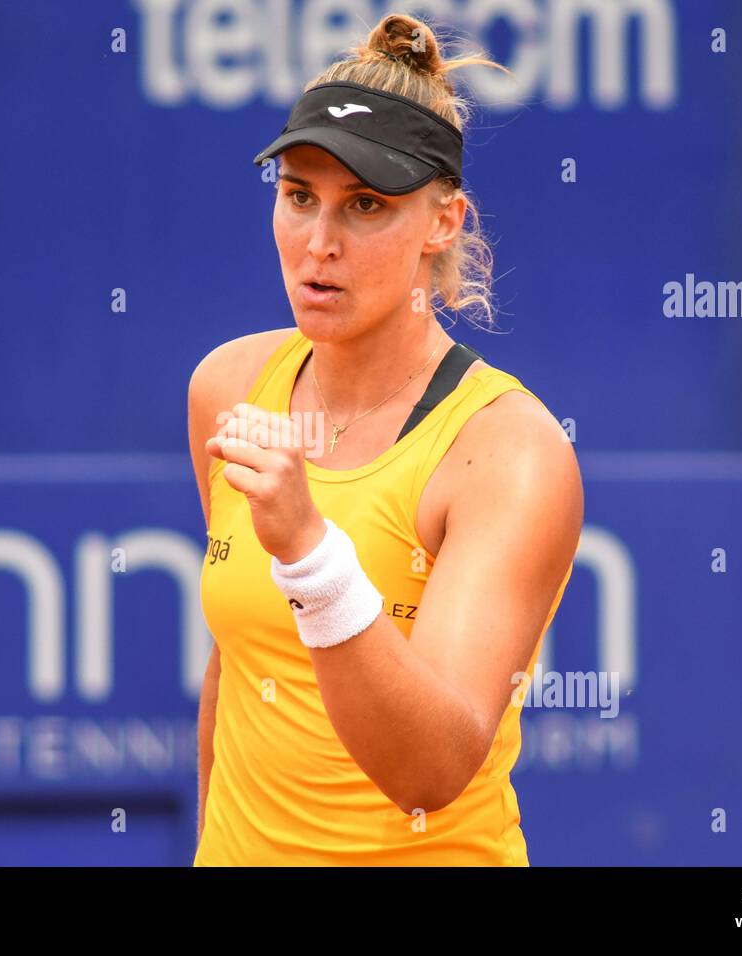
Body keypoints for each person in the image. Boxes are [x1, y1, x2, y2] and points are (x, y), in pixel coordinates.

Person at [187, 12, 583, 865]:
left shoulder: (509, 454)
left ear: (444, 221)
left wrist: (308, 555)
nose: (319, 244)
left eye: (366, 205)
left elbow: (429, 769)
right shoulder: (226, 386)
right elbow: (238, 674)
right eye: (299, 197)